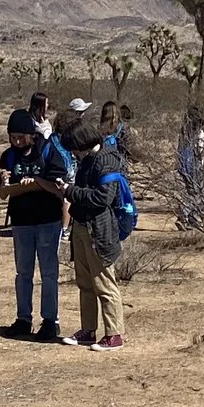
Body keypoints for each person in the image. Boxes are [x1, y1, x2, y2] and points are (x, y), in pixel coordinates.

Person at [0, 110, 73, 341]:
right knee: (23, 272)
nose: (17, 142)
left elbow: (60, 187)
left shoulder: (48, 152)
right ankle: (23, 318)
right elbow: (1, 194)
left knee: (49, 272)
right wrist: (5, 182)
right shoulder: (9, 156)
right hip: (21, 221)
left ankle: (50, 321)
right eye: (13, 137)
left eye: (21, 137)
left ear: (31, 135)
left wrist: (39, 181)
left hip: (48, 219)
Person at [62, 121, 128, 351]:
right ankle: (88, 330)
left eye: (73, 148)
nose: (73, 153)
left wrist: (70, 191)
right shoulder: (86, 160)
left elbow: (103, 198)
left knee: (104, 283)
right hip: (81, 227)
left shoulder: (107, 160)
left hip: (99, 232)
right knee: (85, 283)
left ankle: (114, 334)